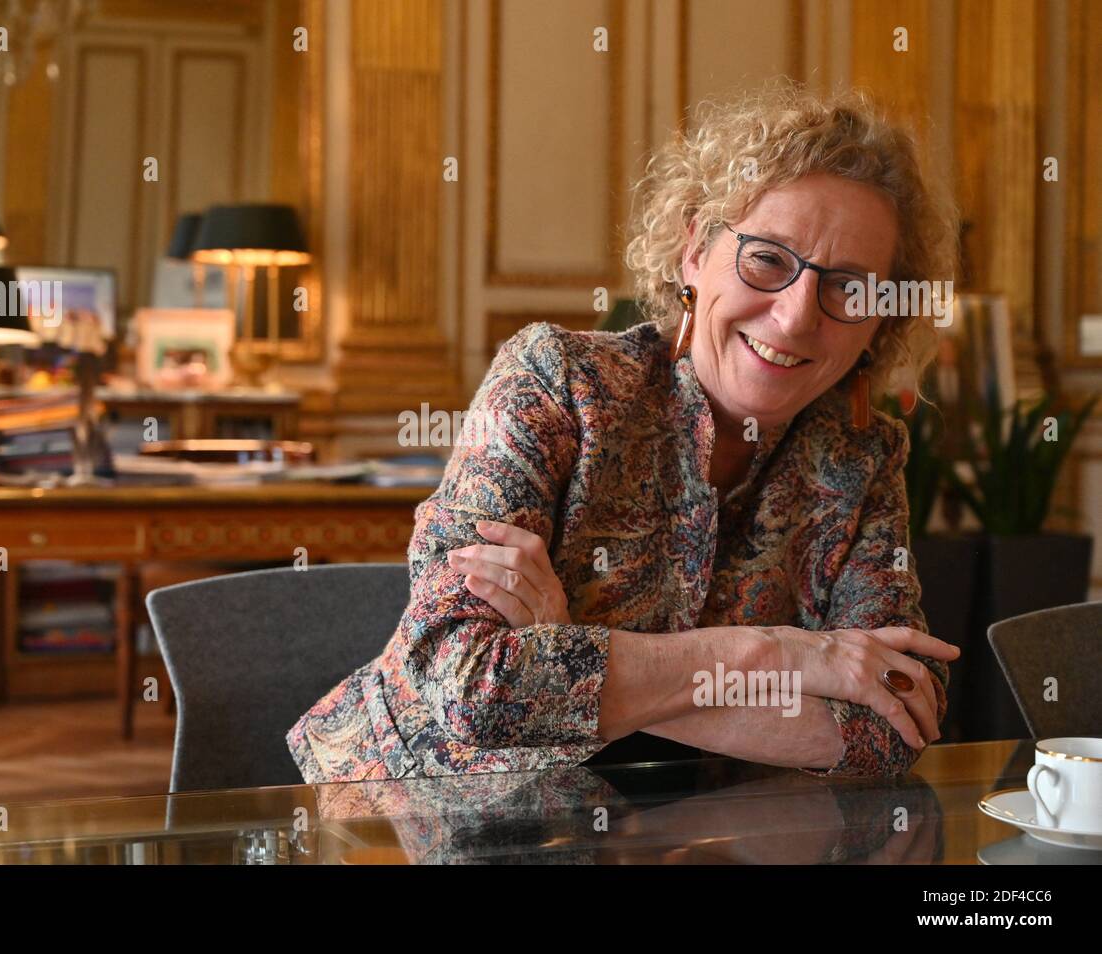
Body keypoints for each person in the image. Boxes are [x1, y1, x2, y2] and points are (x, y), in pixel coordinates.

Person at [288, 81, 963, 783]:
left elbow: (896, 723)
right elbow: (469, 683)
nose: (795, 317)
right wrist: (783, 656)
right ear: (695, 251)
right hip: (401, 816)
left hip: (667, 838)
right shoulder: (556, 381)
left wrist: (569, 647)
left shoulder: (863, 456)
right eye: (767, 258)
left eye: (848, 287)